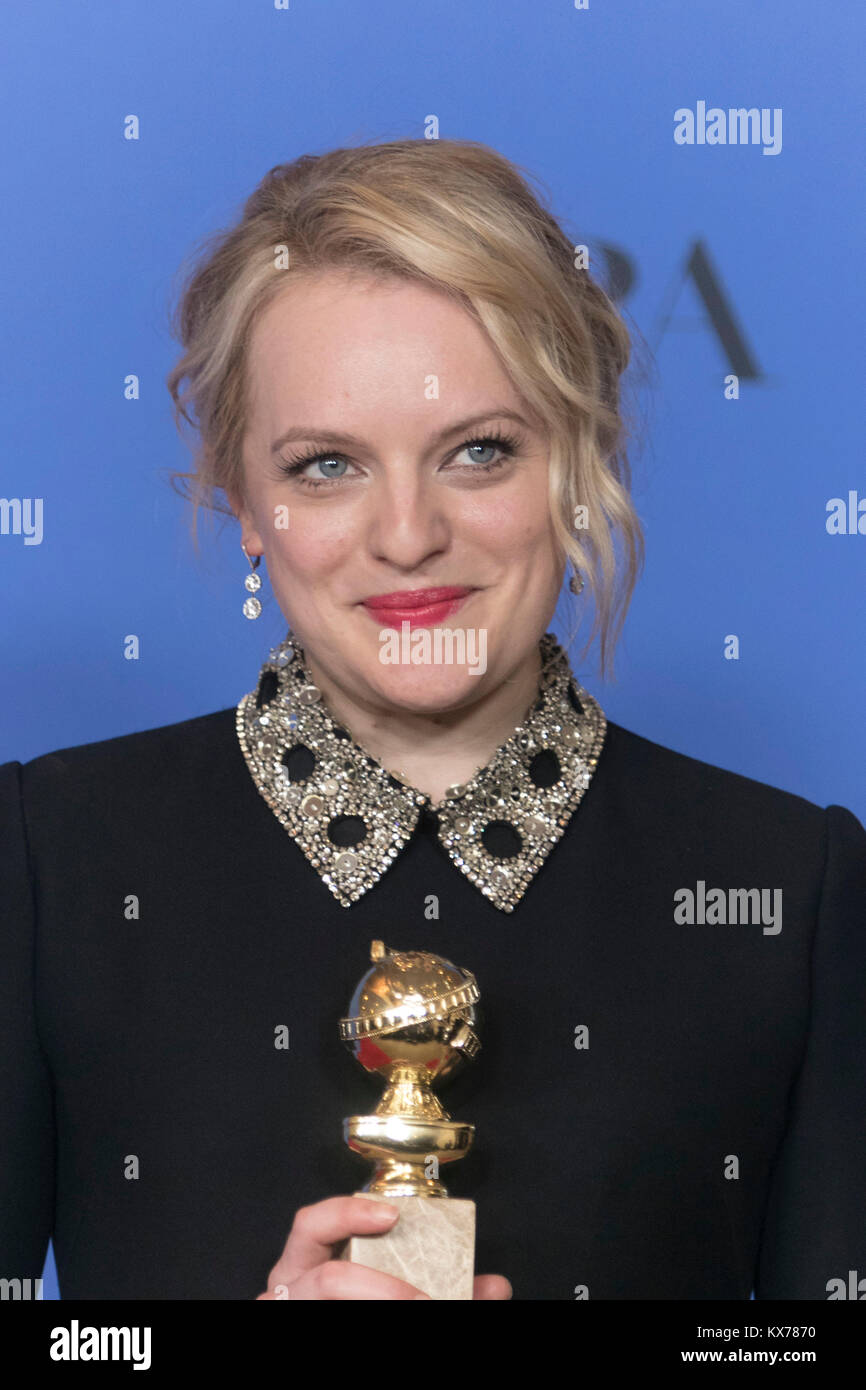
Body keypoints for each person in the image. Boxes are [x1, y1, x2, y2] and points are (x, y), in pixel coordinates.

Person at [1, 138, 864, 1301]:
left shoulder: (790, 885)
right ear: (245, 503)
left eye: (477, 451)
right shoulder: (48, 858)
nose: (407, 536)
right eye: (324, 466)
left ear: (577, 464)